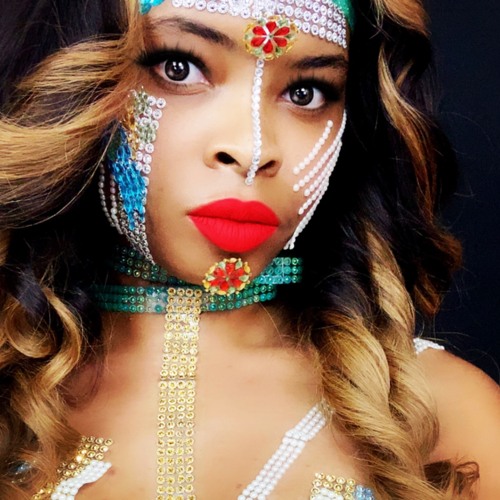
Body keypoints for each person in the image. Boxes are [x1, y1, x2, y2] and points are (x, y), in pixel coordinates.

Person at [0, 0, 498, 498]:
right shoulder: (9, 394)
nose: (253, 150)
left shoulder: (442, 417)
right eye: (180, 68)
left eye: (305, 93)